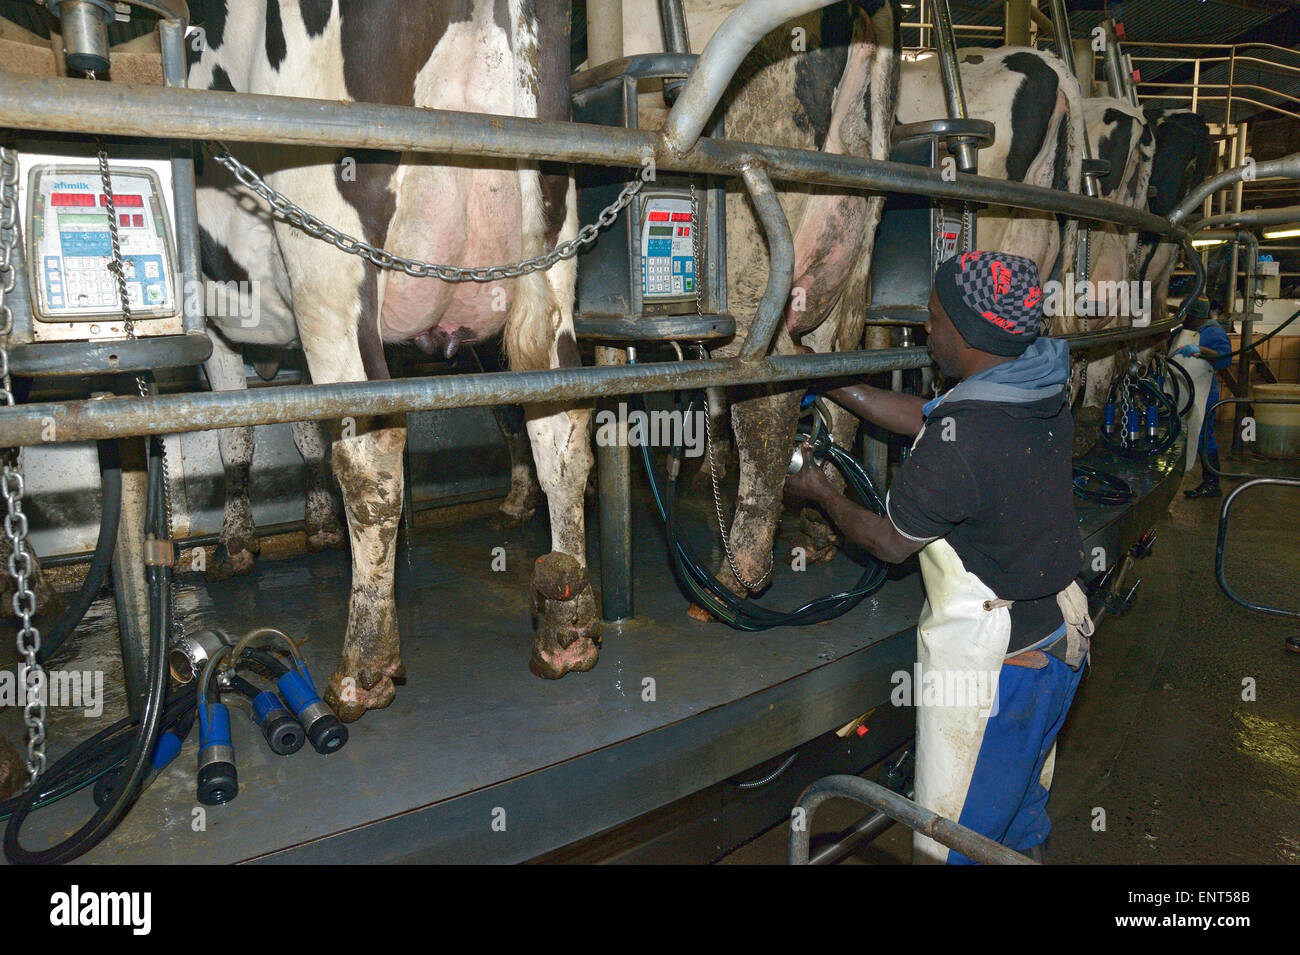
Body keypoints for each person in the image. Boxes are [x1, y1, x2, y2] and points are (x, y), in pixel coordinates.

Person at [786, 250, 1091, 864]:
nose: (927, 331)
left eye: (934, 319)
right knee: (1020, 825)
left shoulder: (964, 445)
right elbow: (930, 419)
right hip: (1062, 639)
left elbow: (888, 542)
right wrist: (832, 379)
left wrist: (820, 493)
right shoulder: (1035, 384)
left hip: (1001, 677)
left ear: (969, 333)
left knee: (957, 845)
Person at [1172, 297, 1233, 498]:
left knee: (1204, 435)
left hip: (1203, 392)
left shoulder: (1213, 331)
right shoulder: (1183, 332)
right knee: (1181, 432)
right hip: (1182, 391)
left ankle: (1212, 483)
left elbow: (1225, 360)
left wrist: (1201, 350)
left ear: (1193, 314)